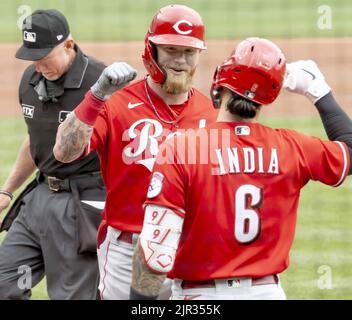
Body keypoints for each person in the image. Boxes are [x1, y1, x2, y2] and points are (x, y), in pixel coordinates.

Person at [129, 38, 352, 300]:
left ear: (218, 83)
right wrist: (318, 90)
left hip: (201, 297)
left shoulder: (183, 148)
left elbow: (156, 252)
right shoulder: (292, 147)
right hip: (268, 293)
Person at [53, 4, 217, 299]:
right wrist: (96, 95)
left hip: (191, 249)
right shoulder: (116, 104)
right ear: (151, 50)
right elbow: (63, 152)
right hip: (127, 251)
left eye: (189, 52)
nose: (181, 61)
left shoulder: (211, 112)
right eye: (171, 50)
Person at [0, 9, 107, 299]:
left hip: (83, 204)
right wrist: (7, 191)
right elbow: (35, 139)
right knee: (5, 282)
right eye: (33, 58)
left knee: (73, 295)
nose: (38, 66)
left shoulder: (100, 83)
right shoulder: (31, 80)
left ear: (68, 46)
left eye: (45, 57)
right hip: (38, 200)